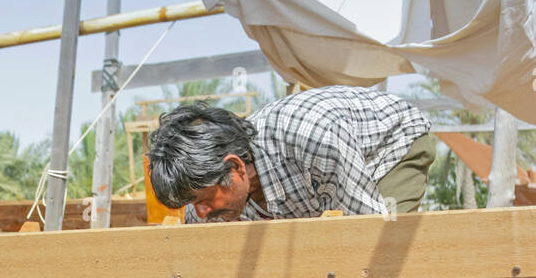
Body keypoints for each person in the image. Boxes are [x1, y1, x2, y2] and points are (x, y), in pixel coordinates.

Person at [148, 87, 436, 222]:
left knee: (382, 243)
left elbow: (366, 231)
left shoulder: (313, 137)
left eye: (203, 200)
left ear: (235, 167)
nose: (200, 212)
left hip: (389, 147)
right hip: (316, 173)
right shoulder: (202, 195)